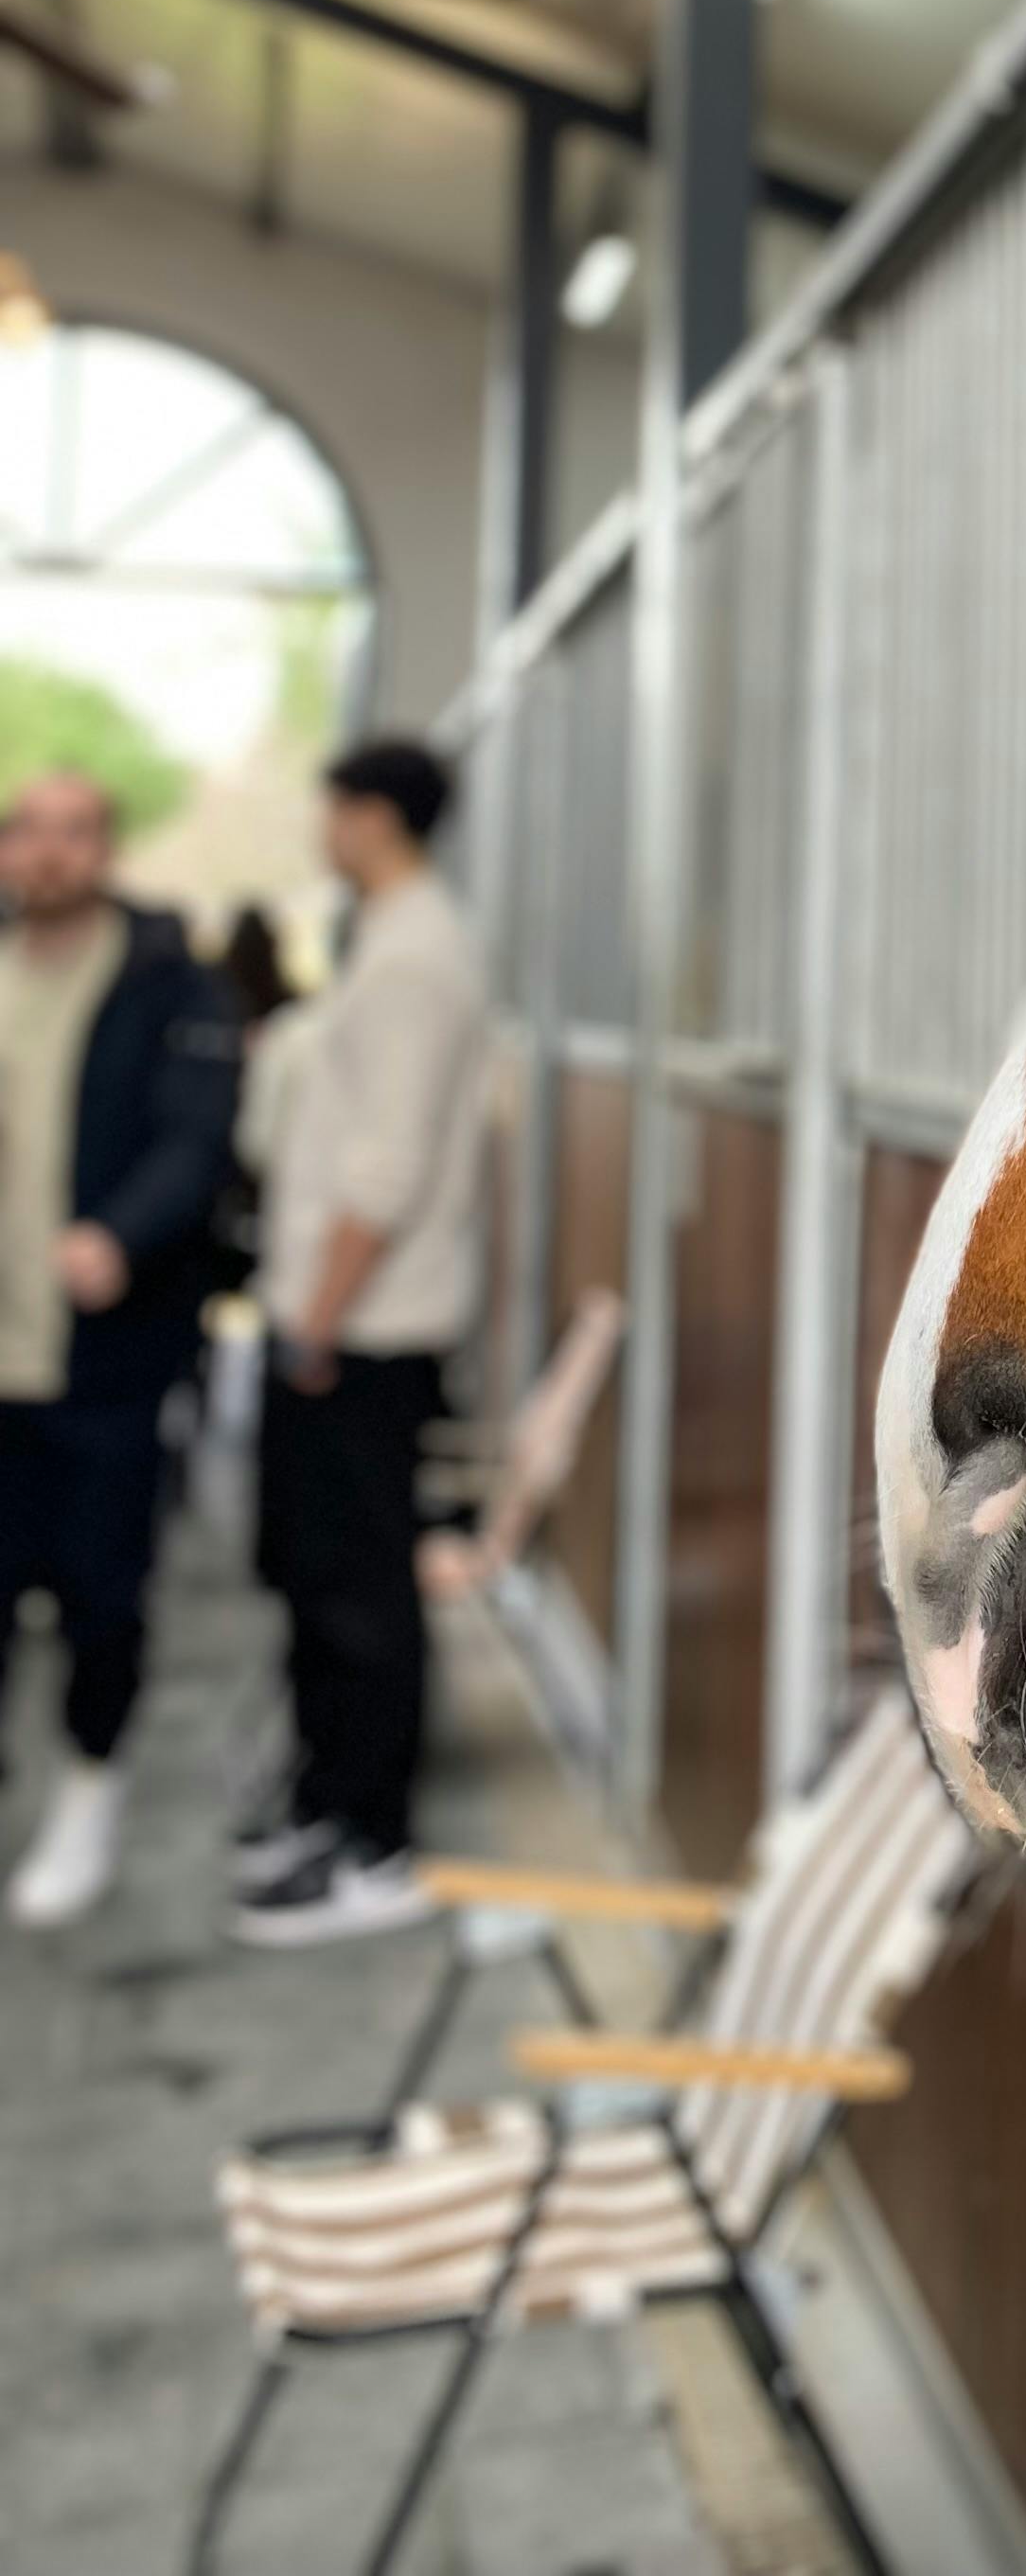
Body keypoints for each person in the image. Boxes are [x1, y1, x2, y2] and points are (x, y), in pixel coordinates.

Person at [235, 737, 487, 1945]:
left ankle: (373, 1843)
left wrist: (317, 1323)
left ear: (374, 815)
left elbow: (380, 1173)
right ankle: (326, 1804)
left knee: (360, 1590)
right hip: (337, 1321)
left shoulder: (416, 958)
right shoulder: (388, 940)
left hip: (362, 1331)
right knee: (318, 1575)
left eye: (332, 807)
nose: (320, 827)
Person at [0, 771, 241, 1927]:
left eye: (73, 833)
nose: (48, 854)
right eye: (28, 833)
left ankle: (90, 1792)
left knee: (101, 1595)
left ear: (106, 850)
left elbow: (196, 1144)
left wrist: (121, 1236)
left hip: (103, 1357)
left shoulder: (166, 983)